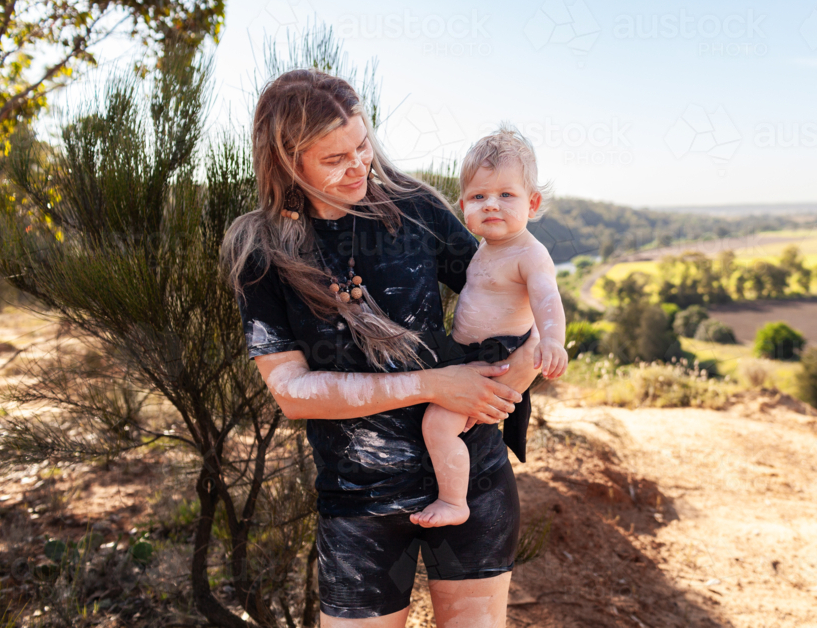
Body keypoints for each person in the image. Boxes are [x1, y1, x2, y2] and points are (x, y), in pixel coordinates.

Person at [220, 69, 540, 627]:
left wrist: (505, 388)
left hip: (472, 478)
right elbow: (293, 394)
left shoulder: (415, 207)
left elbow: (515, 298)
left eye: (362, 145)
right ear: (286, 162)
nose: (358, 166)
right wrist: (431, 385)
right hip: (357, 501)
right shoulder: (260, 250)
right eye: (333, 158)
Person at [410, 125, 567, 528]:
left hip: (495, 358)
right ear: (463, 204)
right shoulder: (485, 247)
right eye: (479, 197)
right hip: (465, 356)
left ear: (532, 203)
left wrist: (551, 340)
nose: (491, 205)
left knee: (438, 424)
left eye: (506, 195)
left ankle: (453, 501)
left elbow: (547, 298)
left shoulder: (530, 254)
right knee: (445, 424)